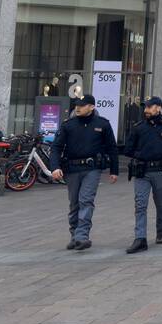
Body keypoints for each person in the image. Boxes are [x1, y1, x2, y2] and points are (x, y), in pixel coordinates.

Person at [51, 94, 119, 251]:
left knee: (86, 200)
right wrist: (55, 167)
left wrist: (114, 170)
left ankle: (82, 236)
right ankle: (74, 235)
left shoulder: (103, 124)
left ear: (92, 107)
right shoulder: (68, 125)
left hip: (92, 169)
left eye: (82, 105)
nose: (78, 107)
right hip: (72, 169)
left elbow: (112, 149)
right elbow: (56, 147)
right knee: (74, 203)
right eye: (77, 105)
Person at [122, 96, 162, 253]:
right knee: (140, 204)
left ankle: (161, 232)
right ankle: (140, 238)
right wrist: (141, 154)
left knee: (160, 203)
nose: (146, 110)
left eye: (149, 107)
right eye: (145, 107)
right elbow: (127, 149)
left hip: (160, 172)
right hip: (142, 171)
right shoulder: (139, 127)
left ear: (158, 108)